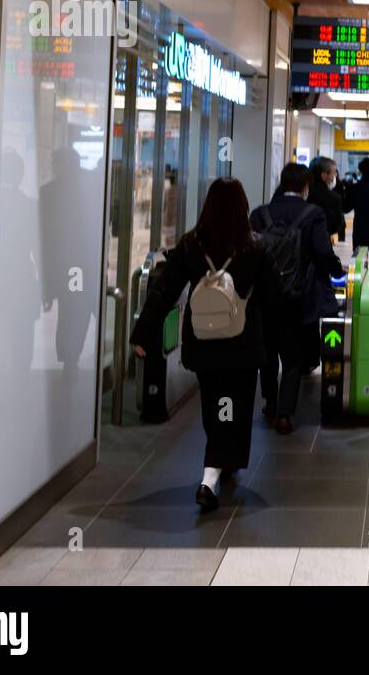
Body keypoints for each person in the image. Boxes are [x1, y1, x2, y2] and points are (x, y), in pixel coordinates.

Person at [130, 178, 279, 512]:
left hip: (204, 345)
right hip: (242, 346)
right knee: (232, 408)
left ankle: (222, 462)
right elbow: (273, 296)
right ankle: (210, 477)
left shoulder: (191, 245)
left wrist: (143, 333)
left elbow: (164, 291)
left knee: (217, 406)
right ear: (242, 207)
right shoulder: (255, 246)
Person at [250, 163, 344, 434]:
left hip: (265, 296)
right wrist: (337, 271)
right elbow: (323, 252)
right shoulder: (313, 213)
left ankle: (269, 401)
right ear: (305, 187)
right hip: (298, 296)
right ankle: (284, 413)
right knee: (292, 356)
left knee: (267, 352)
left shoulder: (260, 213)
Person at [308, 156, 345, 242]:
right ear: (324, 175)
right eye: (333, 173)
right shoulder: (334, 198)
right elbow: (337, 225)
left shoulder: (302, 192)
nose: (334, 176)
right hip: (322, 240)